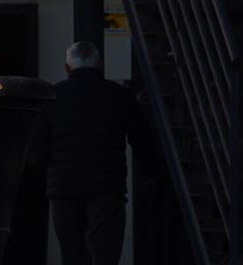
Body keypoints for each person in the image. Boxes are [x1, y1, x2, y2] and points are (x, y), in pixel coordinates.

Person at [25, 41, 158, 265]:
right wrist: (151, 172)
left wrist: (47, 176)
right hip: (105, 189)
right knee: (104, 254)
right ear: (100, 65)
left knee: (72, 255)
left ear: (67, 68)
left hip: (64, 189)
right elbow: (142, 139)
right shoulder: (118, 95)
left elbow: (37, 147)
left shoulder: (52, 97)